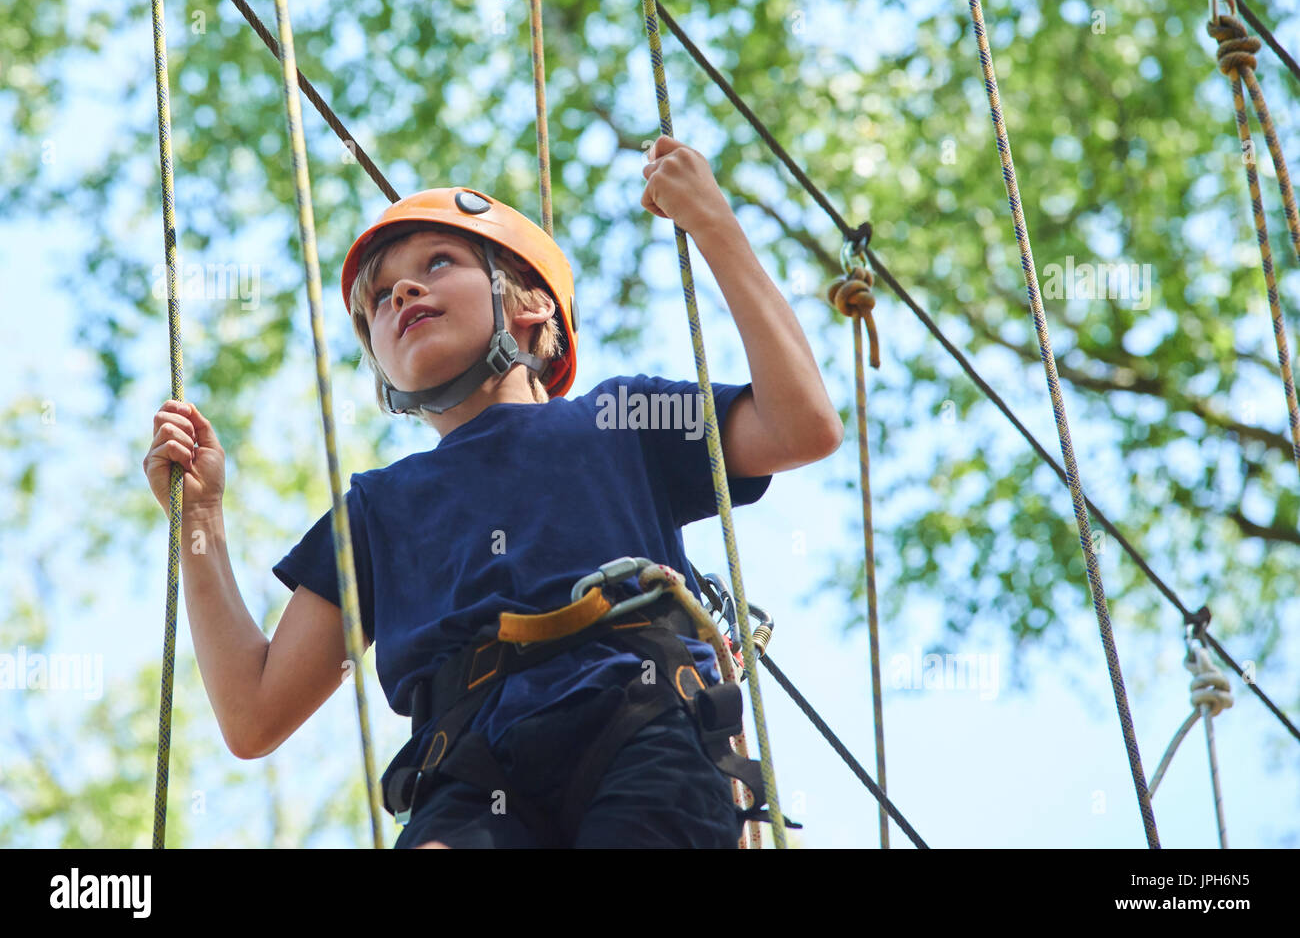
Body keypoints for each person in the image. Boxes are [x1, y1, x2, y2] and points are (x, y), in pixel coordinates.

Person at [143, 134, 843, 848]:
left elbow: (802, 425)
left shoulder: (620, 420)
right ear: (385, 372)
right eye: (381, 298)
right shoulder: (378, 511)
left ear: (533, 305)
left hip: (643, 725)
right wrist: (199, 520)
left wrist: (713, 224)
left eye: (436, 264)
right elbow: (256, 713)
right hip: (468, 773)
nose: (404, 293)